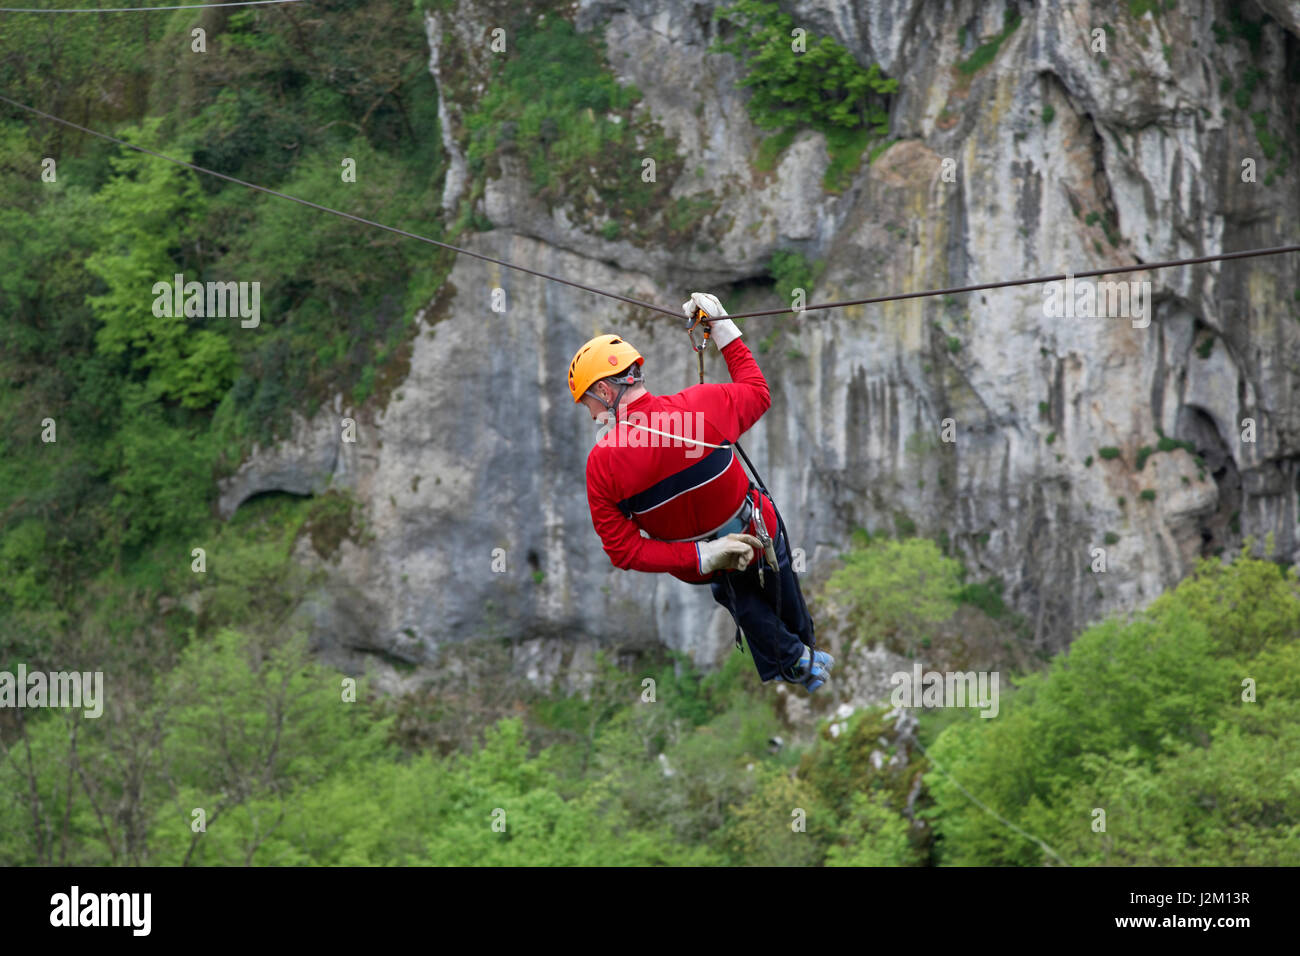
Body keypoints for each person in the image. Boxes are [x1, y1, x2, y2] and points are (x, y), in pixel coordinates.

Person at [568, 292, 833, 691]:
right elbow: (758, 392)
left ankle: (795, 658)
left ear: (605, 393)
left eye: (588, 401)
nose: (590, 414)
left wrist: (700, 554)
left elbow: (623, 550)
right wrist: (723, 327)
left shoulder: (601, 464)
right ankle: (801, 651)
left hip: (703, 565)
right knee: (775, 575)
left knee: (735, 590)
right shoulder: (702, 406)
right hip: (758, 529)